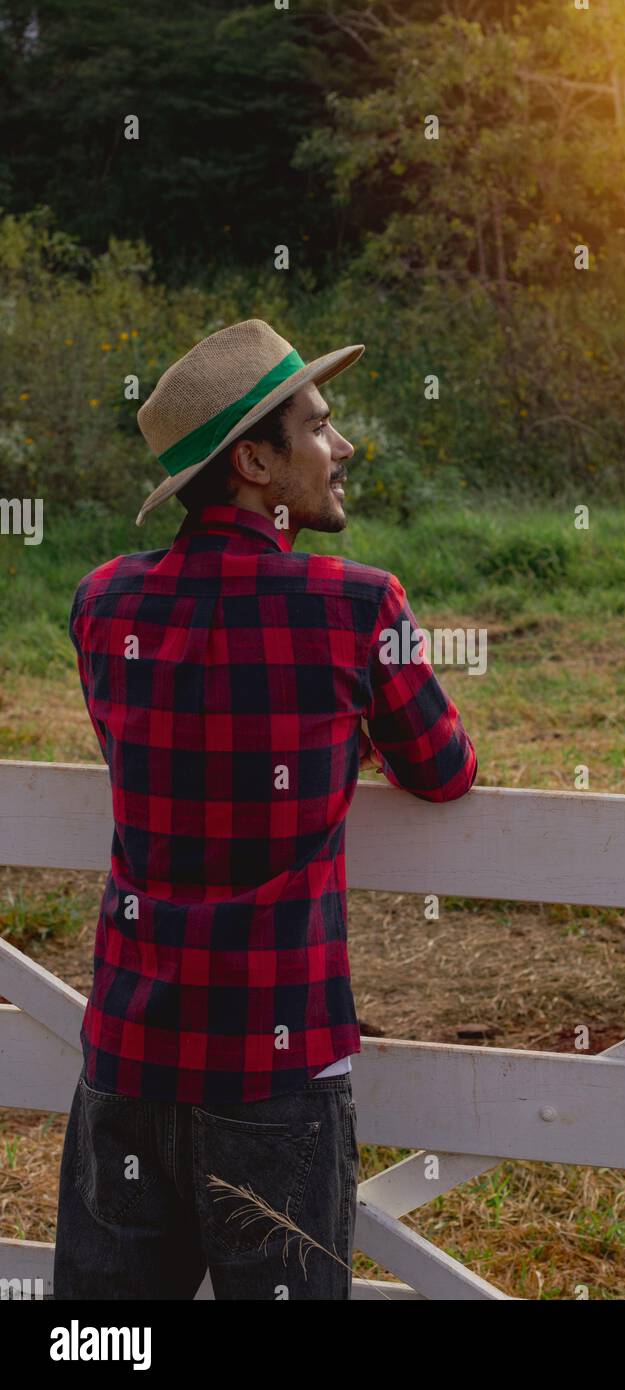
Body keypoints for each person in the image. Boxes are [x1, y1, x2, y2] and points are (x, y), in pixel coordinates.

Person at [53, 318, 478, 1300]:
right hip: (273, 1071)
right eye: (319, 429)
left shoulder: (100, 604)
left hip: (125, 1055)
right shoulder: (357, 606)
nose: (342, 449)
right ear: (253, 459)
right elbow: (444, 767)